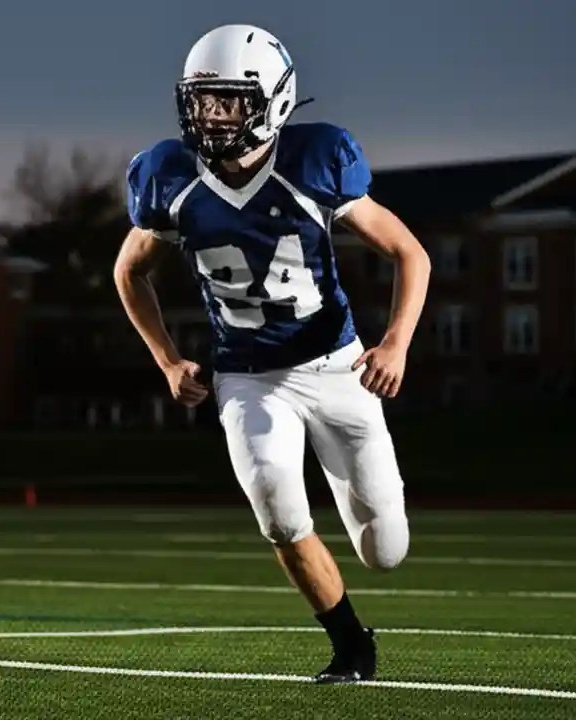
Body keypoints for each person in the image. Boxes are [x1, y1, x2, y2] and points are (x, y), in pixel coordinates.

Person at [112, 23, 431, 683]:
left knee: (386, 550)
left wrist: (395, 342)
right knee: (277, 507)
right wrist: (168, 360)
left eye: (229, 100)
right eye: (203, 101)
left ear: (273, 101)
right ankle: (351, 645)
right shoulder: (168, 179)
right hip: (248, 376)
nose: (213, 116)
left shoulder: (316, 163)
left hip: (338, 368)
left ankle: (367, 554)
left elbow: (410, 252)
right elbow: (128, 272)